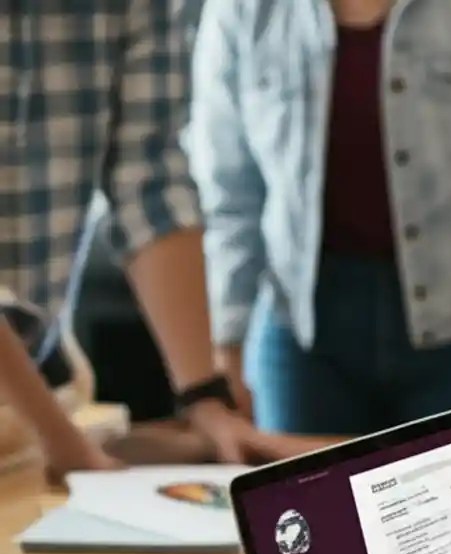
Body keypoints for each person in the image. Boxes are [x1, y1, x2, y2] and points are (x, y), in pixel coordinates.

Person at [190, 0, 451, 436]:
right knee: (309, 501)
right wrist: (227, 350)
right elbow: (229, 193)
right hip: (305, 335)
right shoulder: (242, 10)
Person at [0, 2, 273, 480]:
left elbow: (150, 182)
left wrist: (203, 398)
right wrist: (61, 441)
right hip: (38, 417)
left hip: (24, 408)